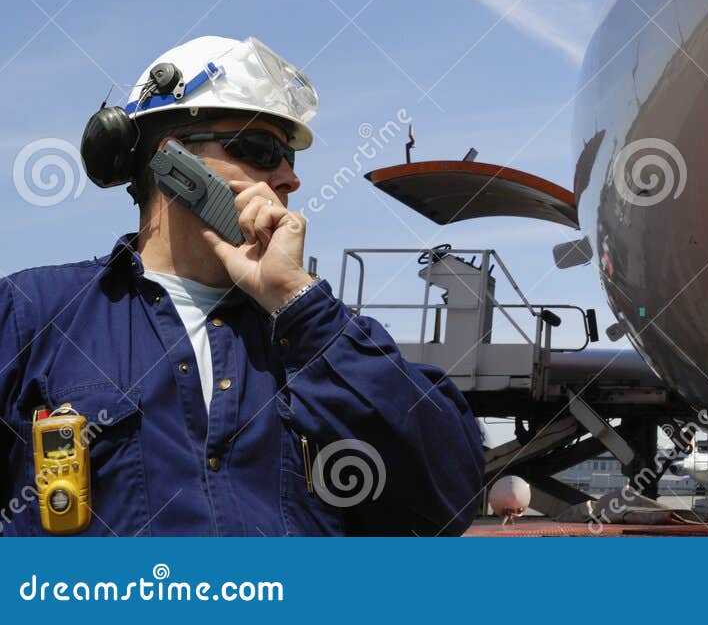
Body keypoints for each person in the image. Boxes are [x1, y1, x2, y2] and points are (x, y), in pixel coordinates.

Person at [0, 35, 484, 536]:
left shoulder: (321, 340)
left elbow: (449, 500)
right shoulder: (32, 316)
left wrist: (299, 307)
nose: (287, 178)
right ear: (174, 163)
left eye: (290, 159)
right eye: (259, 148)